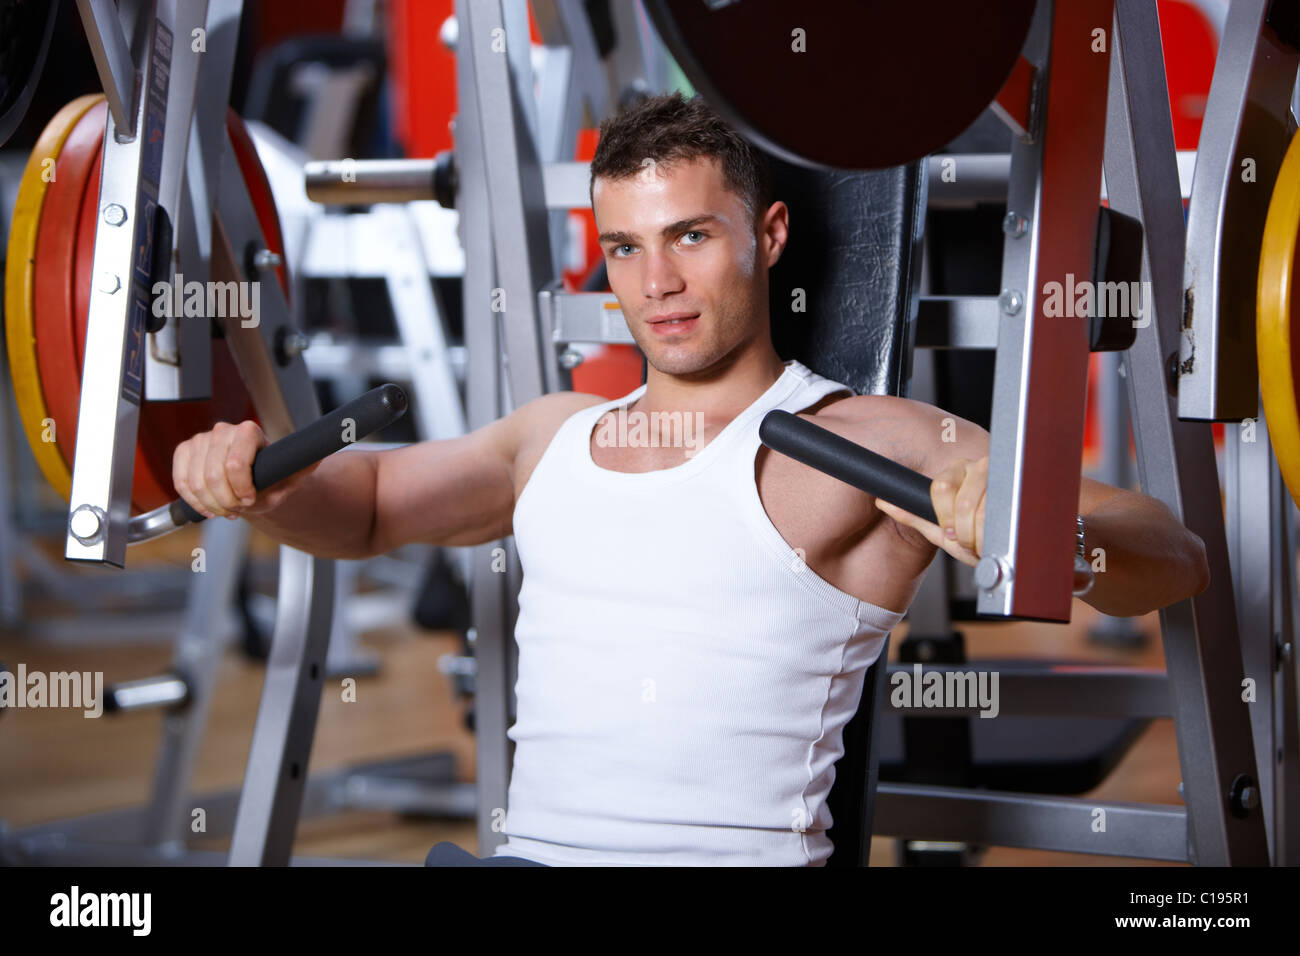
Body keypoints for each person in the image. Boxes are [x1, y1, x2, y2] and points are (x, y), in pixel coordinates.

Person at [172, 93, 1210, 866]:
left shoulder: (858, 438)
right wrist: (251, 483)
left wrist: (1045, 528)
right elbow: (361, 508)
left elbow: (1175, 554)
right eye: (624, 248)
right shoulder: (551, 439)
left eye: (689, 237)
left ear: (766, 237)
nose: (655, 283)